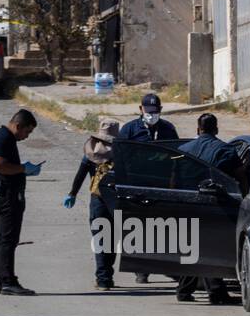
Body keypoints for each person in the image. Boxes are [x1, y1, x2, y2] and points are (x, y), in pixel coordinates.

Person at [175, 113, 238, 305]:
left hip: (188, 203)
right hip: (214, 204)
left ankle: (185, 290)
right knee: (209, 247)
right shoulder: (225, 151)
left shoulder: (183, 150)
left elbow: (173, 181)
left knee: (196, 246)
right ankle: (216, 291)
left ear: (197, 130)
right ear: (216, 129)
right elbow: (238, 178)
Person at [118, 93, 178, 285]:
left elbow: (177, 156)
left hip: (161, 185)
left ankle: (168, 267)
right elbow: (120, 156)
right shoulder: (129, 130)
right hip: (137, 185)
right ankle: (141, 270)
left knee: (164, 227)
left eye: (155, 111)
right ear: (140, 110)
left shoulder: (168, 129)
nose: (152, 115)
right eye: (148, 111)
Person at [0, 108, 41, 296]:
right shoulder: (3, 138)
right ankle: (7, 280)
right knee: (8, 239)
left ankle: (2, 279)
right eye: (27, 131)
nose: (26, 136)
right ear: (18, 125)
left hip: (4, 195)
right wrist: (23, 169)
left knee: (1, 238)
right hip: (8, 196)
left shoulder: (2, 136)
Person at [63, 118, 121, 290]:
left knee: (101, 239)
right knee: (112, 239)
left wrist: (72, 193)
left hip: (98, 199)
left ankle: (103, 279)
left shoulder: (91, 151)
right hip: (117, 200)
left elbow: (80, 174)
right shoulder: (121, 151)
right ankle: (106, 277)